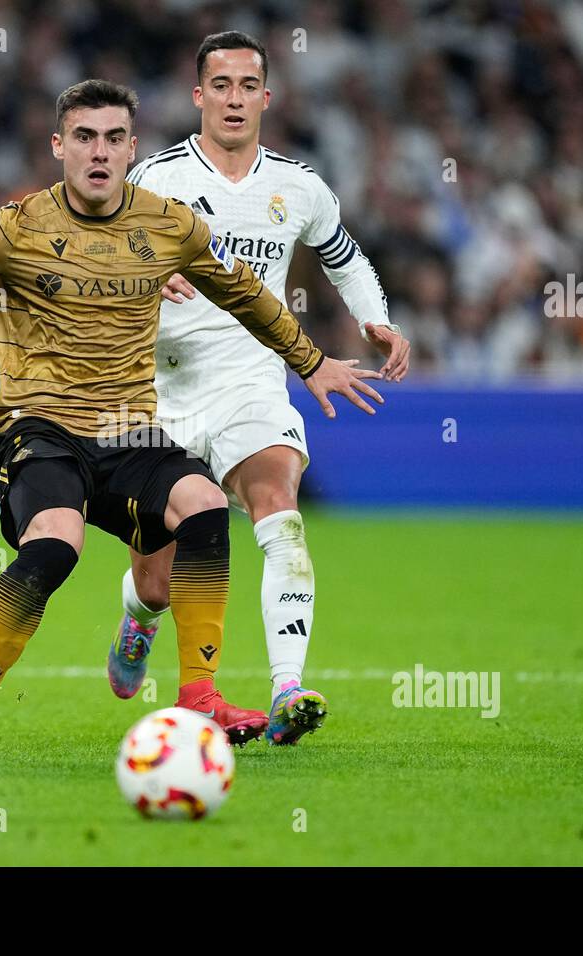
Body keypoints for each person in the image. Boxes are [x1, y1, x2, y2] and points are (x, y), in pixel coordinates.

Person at [0, 79, 383, 756]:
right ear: (59, 146)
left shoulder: (167, 225)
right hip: (39, 428)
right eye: (84, 136)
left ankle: (200, 698)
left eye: (114, 138)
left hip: (129, 428)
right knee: (56, 544)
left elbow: (246, 296)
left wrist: (311, 359)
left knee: (204, 505)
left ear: (132, 148)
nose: (99, 151)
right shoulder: (16, 226)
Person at [108, 32, 409, 745]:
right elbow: (107, 256)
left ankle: (286, 688)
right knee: (157, 581)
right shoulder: (155, 178)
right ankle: (137, 616)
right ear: (199, 97)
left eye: (248, 86)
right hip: (162, 394)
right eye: (222, 85)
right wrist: (148, 272)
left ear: (266, 98)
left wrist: (377, 321)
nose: (235, 99)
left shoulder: (298, 187)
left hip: (252, 384)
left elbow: (347, 258)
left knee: (279, 509)